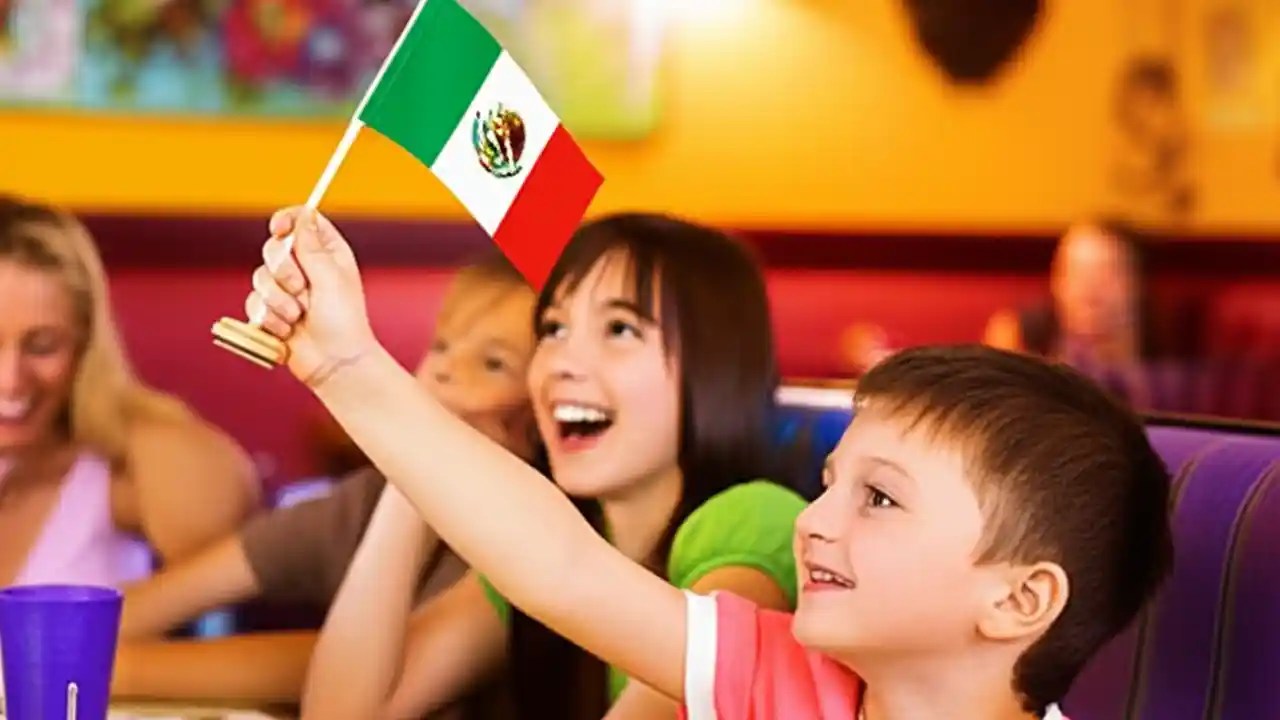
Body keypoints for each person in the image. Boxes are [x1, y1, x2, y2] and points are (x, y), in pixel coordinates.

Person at [247, 207, 1176, 720]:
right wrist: (347, 366)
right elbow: (559, 568)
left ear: (1020, 600)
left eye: (880, 499)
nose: (816, 520)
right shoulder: (780, 676)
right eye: (831, 485)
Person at [302, 213, 808, 719]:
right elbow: (345, 713)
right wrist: (410, 469)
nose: (562, 362)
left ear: (714, 367)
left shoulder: (752, 517)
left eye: (619, 328)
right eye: (554, 328)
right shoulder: (555, 540)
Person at [110, 254, 539, 709]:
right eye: (442, 345)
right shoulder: (363, 500)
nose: (443, 370)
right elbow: (159, 600)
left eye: (493, 364)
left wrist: (103, 669)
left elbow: (367, 677)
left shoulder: (539, 537)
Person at [0, 194, 257, 590]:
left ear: (85, 344)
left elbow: (228, 510)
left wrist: (107, 396)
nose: (11, 379)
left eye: (43, 345)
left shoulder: (114, 476)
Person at [984, 218, 1154, 406]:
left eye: (1107, 273)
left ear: (1137, 284)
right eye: (1076, 272)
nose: (1090, 288)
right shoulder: (1020, 339)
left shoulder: (1174, 356)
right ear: (1055, 282)